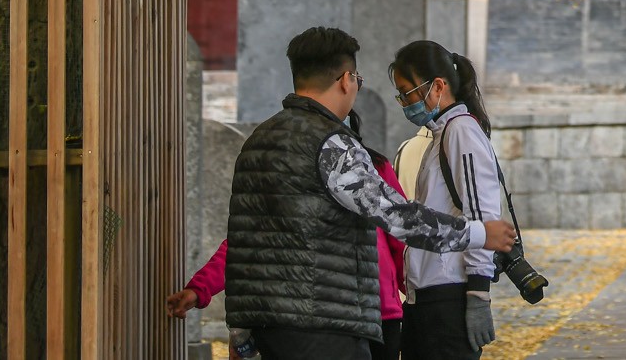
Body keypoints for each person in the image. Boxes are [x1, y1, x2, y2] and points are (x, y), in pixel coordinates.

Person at [216, 26, 513, 360]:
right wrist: (478, 233)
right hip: (326, 323)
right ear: (346, 79)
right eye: (357, 78)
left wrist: (241, 329)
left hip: (266, 326)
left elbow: (243, 238)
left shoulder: (258, 140)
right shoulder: (330, 145)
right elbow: (395, 215)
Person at [170, 111, 412, 360]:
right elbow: (246, 242)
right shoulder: (285, 177)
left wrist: (416, 294)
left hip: (377, 314)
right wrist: (200, 289)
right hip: (321, 318)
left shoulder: (375, 168)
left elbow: (398, 239)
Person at [390, 39, 514, 360]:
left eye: (408, 93)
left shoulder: (461, 131)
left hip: (449, 297)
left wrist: (477, 295)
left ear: (438, 86)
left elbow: (482, 215)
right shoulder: (441, 134)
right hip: (427, 298)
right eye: (400, 95)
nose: (405, 103)